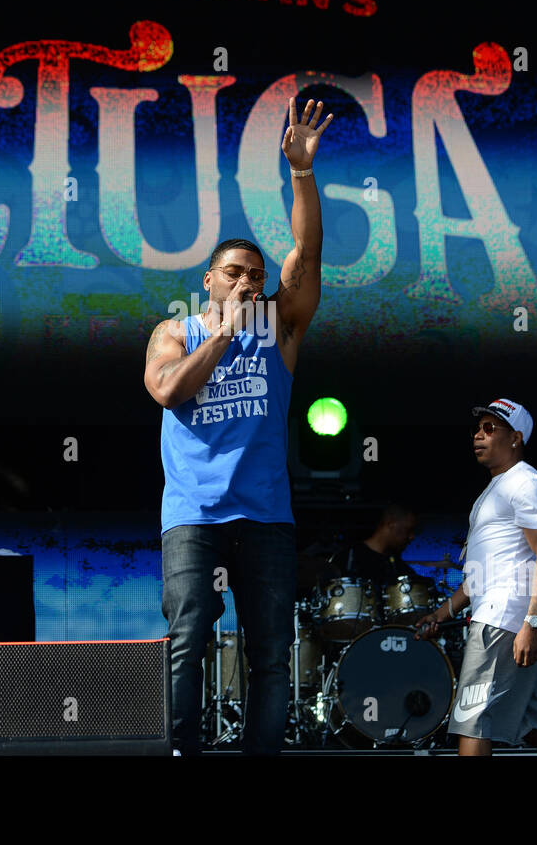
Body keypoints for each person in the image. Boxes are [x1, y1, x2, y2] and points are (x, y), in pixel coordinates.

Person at [145, 97, 333, 755]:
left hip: (265, 516)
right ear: (209, 280)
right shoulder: (177, 330)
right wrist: (222, 335)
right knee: (187, 642)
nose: (250, 281)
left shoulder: (279, 327)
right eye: (236, 273)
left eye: (256, 274)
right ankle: (182, 753)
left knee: (271, 654)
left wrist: (301, 173)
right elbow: (168, 391)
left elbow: (304, 258)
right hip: (193, 514)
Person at [415, 398, 537, 756]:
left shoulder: (526, 482)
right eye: (478, 428)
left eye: (490, 428)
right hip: (504, 621)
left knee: (472, 721)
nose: (478, 435)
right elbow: (476, 578)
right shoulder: (493, 491)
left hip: (505, 624)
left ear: (515, 438)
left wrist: (532, 624)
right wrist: (440, 615)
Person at [327, 504, 422, 589]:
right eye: (408, 530)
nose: (412, 537)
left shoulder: (403, 571)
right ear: (391, 523)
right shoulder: (346, 559)